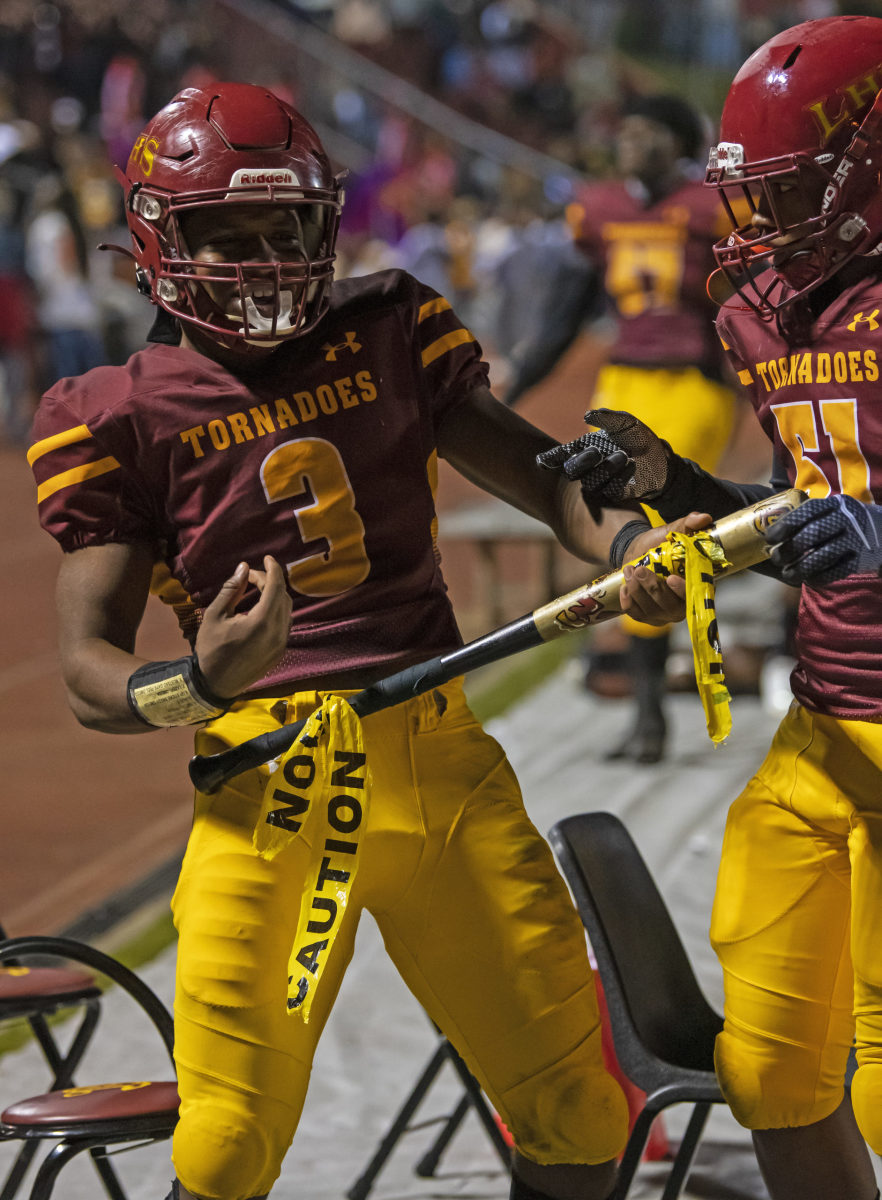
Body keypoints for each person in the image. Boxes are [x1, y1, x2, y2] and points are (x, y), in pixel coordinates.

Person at [26, 83, 708, 1200]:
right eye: (227, 235)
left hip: (441, 761)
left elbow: (553, 488)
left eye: (283, 227)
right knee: (224, 1146)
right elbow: (90, 679)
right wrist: (200, 680)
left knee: (582, 1111)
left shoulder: (389, 325)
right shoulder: (117, 410)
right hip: (272, 785)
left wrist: (636, 545)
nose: (263, 260)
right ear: (159, 241)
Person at [539, 16, 882, 1199]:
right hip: (825, 727)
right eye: (757, 193)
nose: (767, 222)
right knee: (769, 1074)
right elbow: (802, 520)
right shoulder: (763, 302)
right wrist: (677, 488)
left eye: (796, 189)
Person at [510, 93, 744, 764]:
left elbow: (754, 302)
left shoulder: (713, 207)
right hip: (623, 383)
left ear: (680, 142)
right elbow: (571, 310)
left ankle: (650, 715)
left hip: (692, 382)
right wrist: (516, 384)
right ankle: (646, 705)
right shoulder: (601, 209)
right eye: (627, 129)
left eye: (649, 131)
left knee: (665, 527)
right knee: (617, 528)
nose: (632, 142)